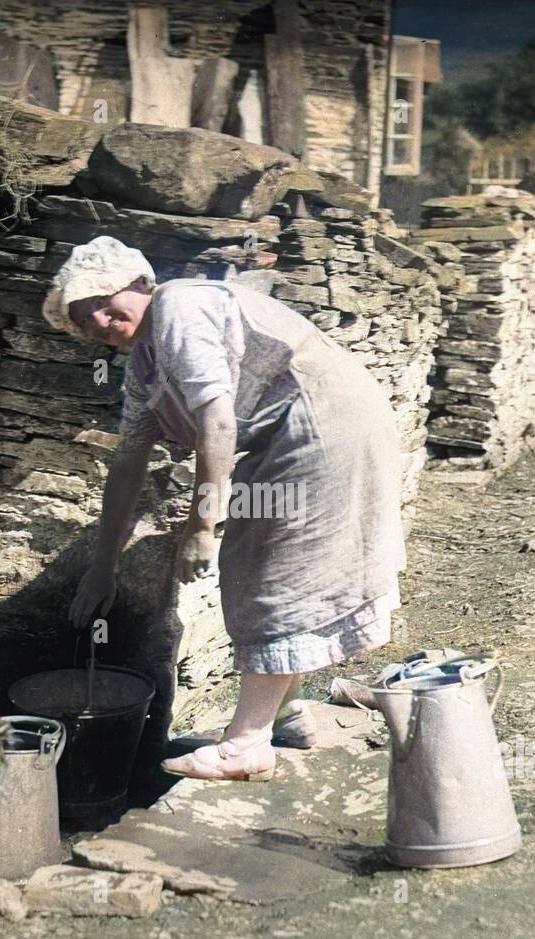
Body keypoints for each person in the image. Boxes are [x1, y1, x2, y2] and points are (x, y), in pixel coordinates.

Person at [46, 235, 406, 782]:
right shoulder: (145, 364)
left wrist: (203, 524)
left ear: (142, 284)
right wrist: (102, 568)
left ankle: (246, 747)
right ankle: (284, 715)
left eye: (105, 300)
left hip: (322, 425)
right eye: (83, 314)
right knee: (262, 563)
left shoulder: (178, 309)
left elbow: (217, 421)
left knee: (274, 570)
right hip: (299, 432)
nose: (99, 317)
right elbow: (128, 465)